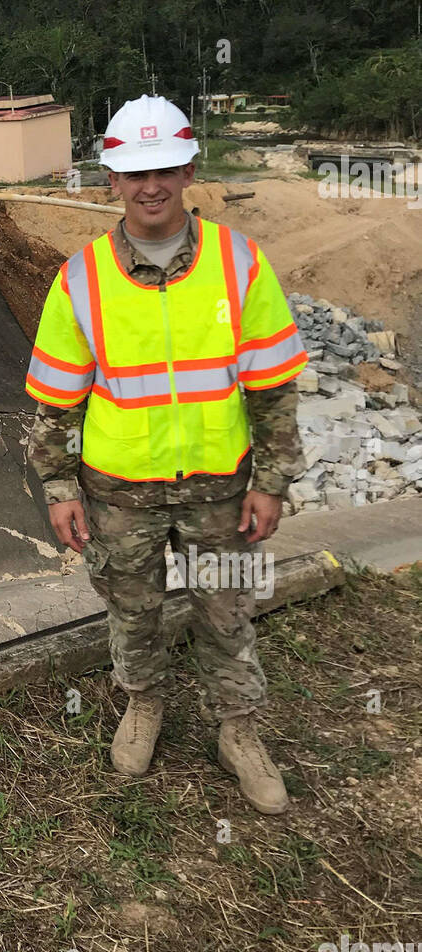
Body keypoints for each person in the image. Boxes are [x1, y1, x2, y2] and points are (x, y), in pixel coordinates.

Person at [26, 95, 307, 814]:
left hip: (218, 487)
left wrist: (270, 480)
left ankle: (237, 731)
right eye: (133, 172)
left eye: (163, 169)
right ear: (111, 181)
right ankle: (142, 705)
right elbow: (56, 400)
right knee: (132, 610)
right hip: (119, 492)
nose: (149, 185)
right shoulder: (80, 279)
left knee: (224, 611)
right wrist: (59, 487)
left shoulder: (238, 263)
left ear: (186, 170)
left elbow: (272, 389)